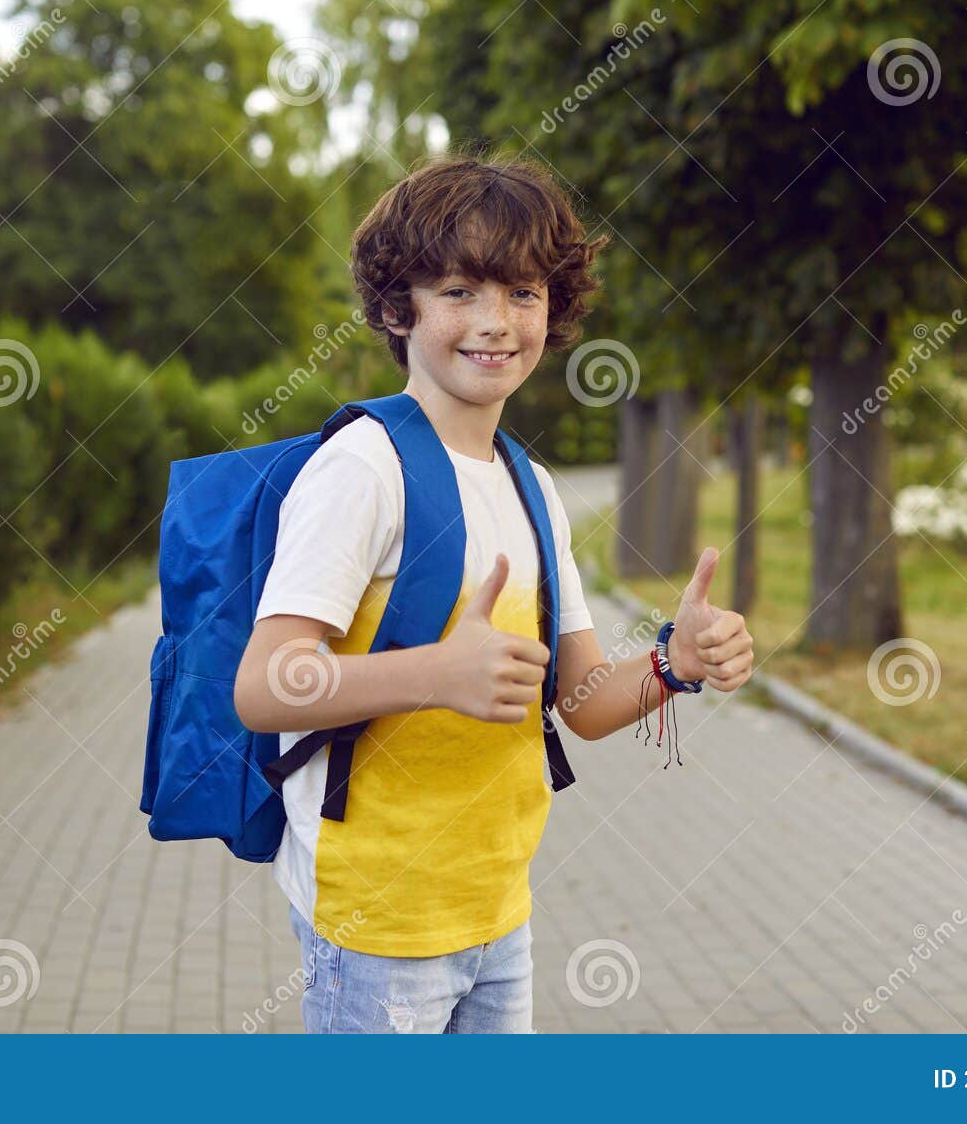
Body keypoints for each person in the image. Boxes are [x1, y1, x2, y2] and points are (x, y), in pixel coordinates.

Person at [232, 151, 755, 1033]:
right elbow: (265, 685)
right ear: (400, 307)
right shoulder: (362, 469)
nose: (496, 322)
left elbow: (581, 703)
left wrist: (676, 660)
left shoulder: (530, 484)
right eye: (460, 292)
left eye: (522, 292)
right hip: (378, 919)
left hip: (496, 910)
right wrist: (437, 673)